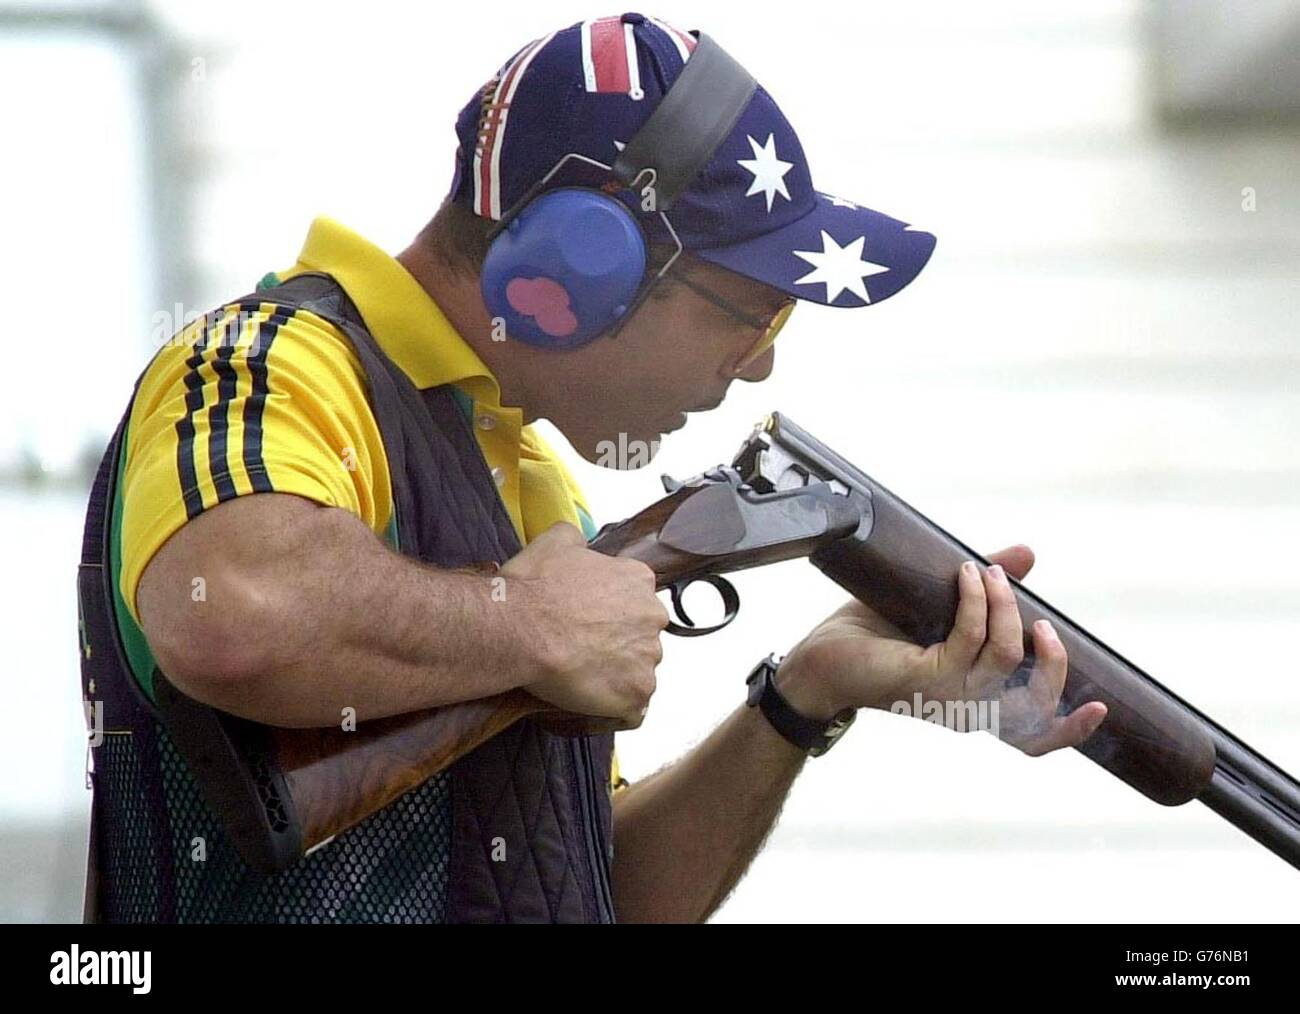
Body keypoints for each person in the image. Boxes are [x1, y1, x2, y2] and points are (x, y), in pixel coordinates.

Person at [78, 12, 1106, 924]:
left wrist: (802, 695)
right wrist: (524, 625)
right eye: (752, 308)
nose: (761, 362)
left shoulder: (531, 480)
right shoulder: (266, 361)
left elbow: (595, 890)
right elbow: (231, 613)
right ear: (580, 261)